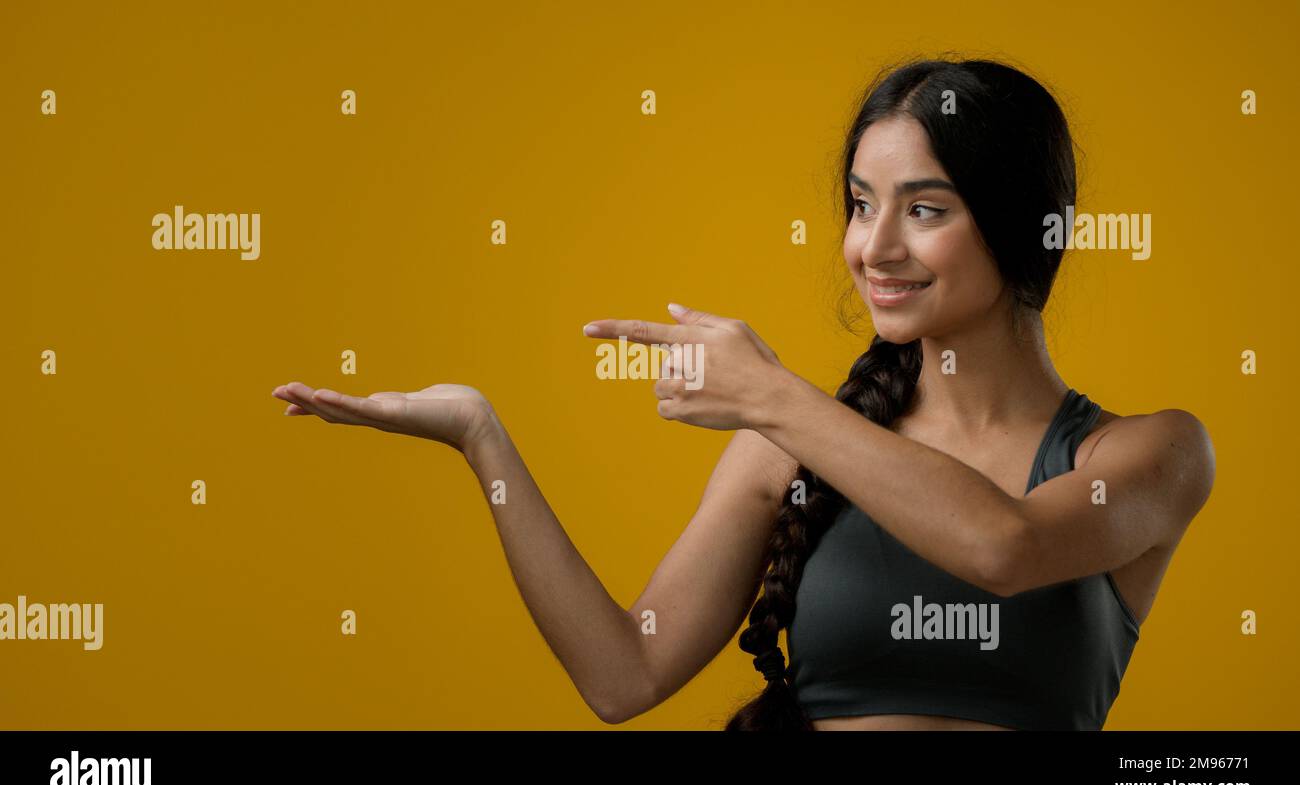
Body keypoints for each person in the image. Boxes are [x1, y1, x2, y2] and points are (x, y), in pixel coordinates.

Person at [270, 56, 1215, 731]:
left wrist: (776, 398)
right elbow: (624, 674)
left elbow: (1006, 546)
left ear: (1019, 227)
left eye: (923, 209)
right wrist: (481, 438)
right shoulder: (784, 447)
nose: (872, 247)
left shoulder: (1143, 454)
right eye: (859, 202)